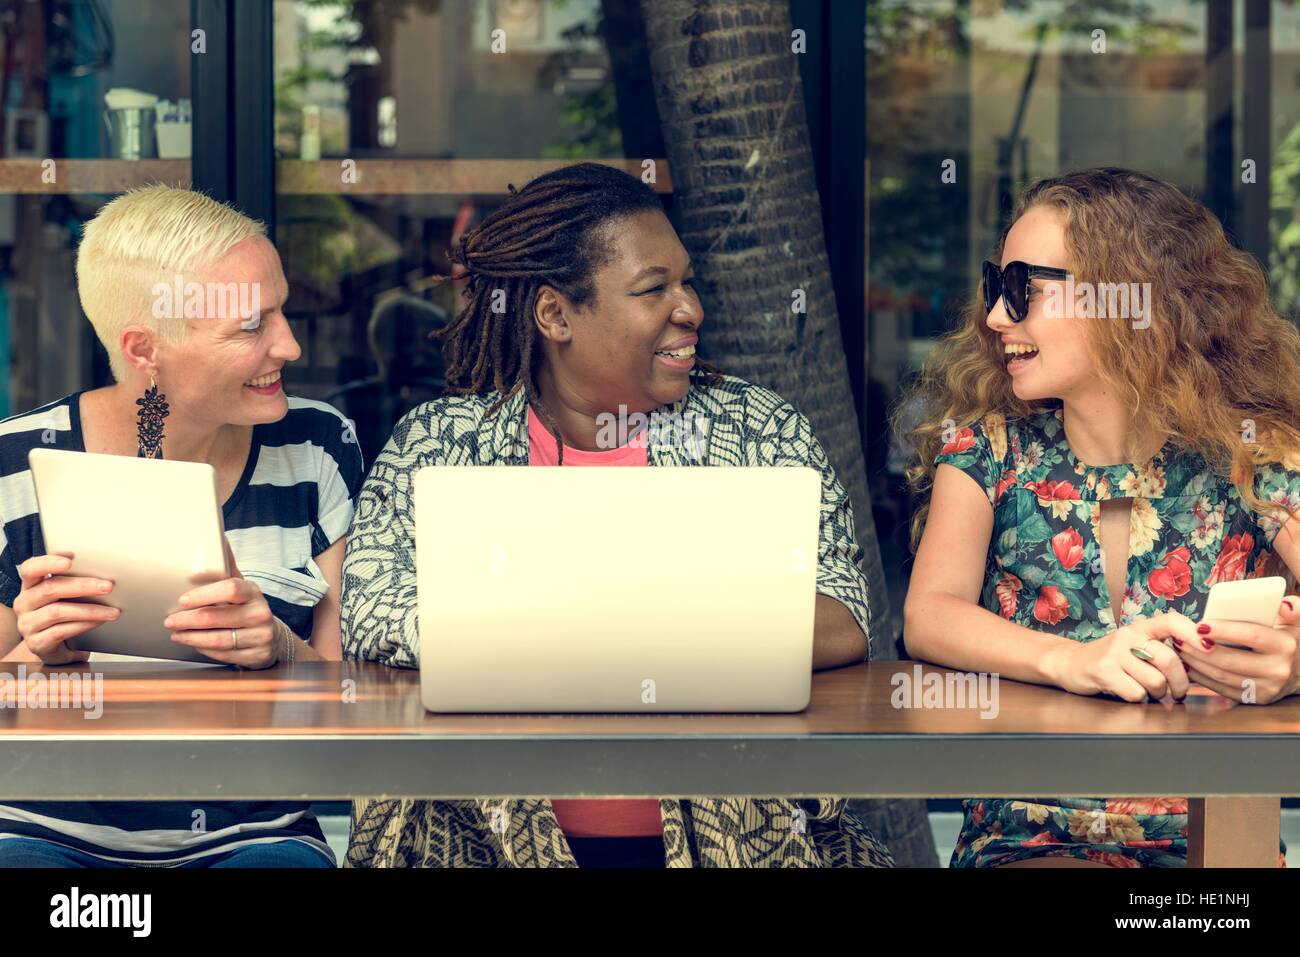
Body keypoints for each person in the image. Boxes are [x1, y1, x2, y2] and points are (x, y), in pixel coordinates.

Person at [341, 162, 893, 868]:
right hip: (480, 846)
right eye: (652, 289)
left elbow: (843, 617)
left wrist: (570, 627)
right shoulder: (440, 444)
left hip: (742, 846)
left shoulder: (759, 431)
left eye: (686, 281)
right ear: (554, 315)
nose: (689, 307)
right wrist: (676, 626)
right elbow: (376, 612)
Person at [900, 167, 1300, 867]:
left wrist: (1292, 665)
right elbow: (928, 615)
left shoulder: (1246, 447)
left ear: (1124, 298)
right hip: (1032, 832)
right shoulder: (990, 445)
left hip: (1218, 829)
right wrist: (1073, 660)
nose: (997, 315)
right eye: (997, 287)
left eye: (1024, 288)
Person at [0, 185, 364, 867]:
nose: (288, 343)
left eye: (282, 311)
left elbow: (357, 705)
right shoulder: (13, 461)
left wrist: (280, 649)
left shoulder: (318, 447)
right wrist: (34, 661)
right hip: (41, 832)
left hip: (259, 835)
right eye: (252, 325)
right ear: (146, 349)